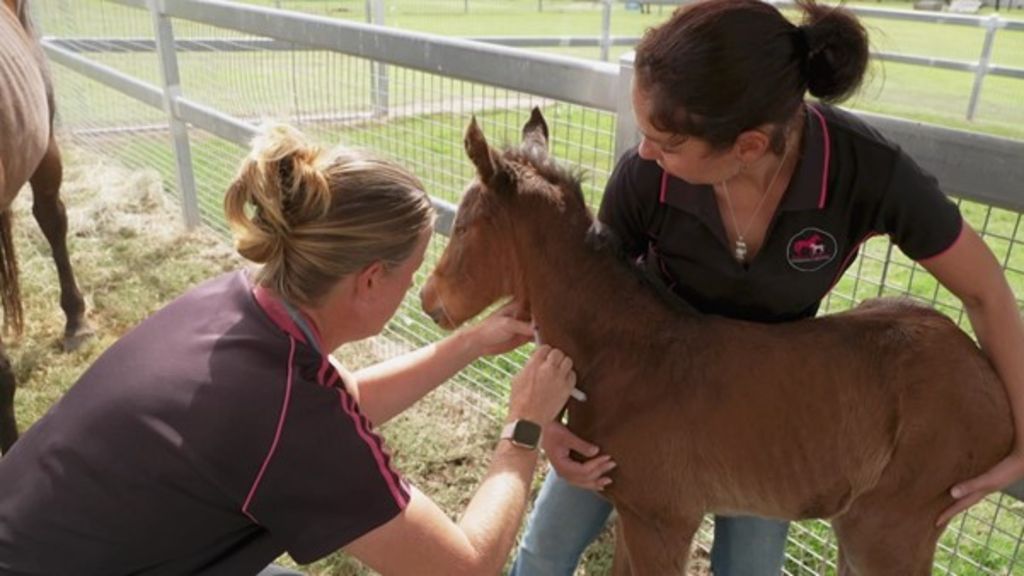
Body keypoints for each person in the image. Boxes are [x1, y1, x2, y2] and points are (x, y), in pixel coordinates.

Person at [511, 0, 1024, 574]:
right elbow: (581, 301)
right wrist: (552, 424)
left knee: (751, 570)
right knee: (546, 547)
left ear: (749, 146)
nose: (645, 150)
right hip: (637, 397)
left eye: (668, 141)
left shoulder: (863, 168)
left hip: (766, 409)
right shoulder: (645, 177)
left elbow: (986, 291)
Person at [0, 123, 577, 575]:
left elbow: (343, 399)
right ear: (371, 279)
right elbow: (465, 566)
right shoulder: (290, 418)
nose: (416, 289)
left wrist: (469, 344)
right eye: (414, 269)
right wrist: (523, 428)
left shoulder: (232, 304)